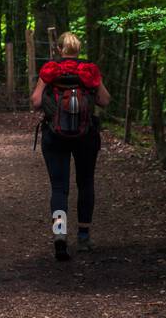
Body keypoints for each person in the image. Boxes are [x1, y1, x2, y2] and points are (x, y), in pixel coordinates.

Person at [30, 32, 111, 261]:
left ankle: (60, 235)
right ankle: (84, 237)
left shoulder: (50, 69)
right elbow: (104, 100)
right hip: (86, 135)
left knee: (59, 188)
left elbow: (36, 101)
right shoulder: (89, 70)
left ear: (58, 49)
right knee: (85, 183)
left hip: (55, 134)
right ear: (79, 49)